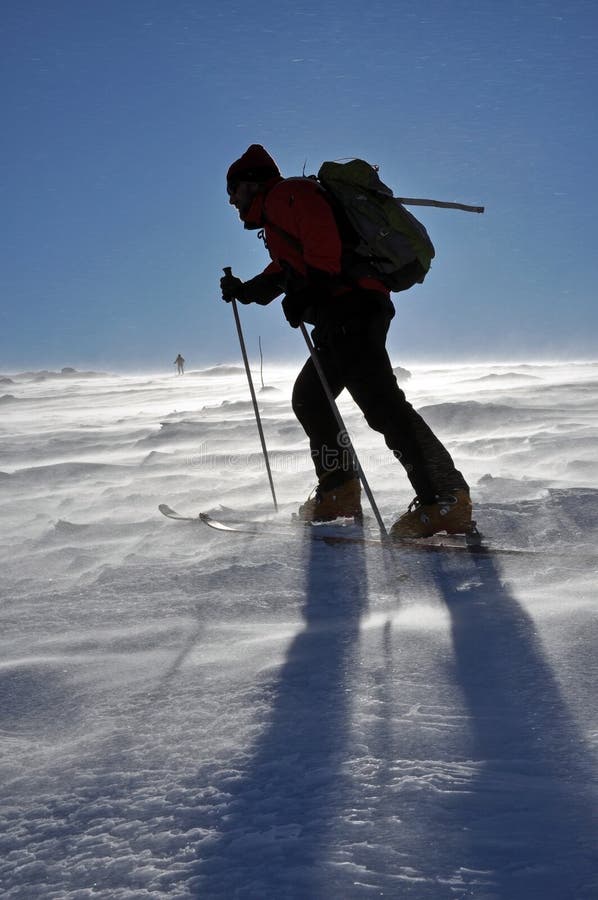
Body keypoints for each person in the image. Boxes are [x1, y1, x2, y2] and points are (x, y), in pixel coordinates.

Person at [220, 144, 473, 538]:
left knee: (382, 405)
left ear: (251, 184)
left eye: (233, 191)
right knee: (311, 397)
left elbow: (322, 243)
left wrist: (309, 290)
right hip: (341, 313)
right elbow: (287, 267)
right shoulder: (277, 211)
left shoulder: (290, 194)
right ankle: (339, 490)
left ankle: (444, 498)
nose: (231, 201)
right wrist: (247, 289)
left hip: (351, 308)